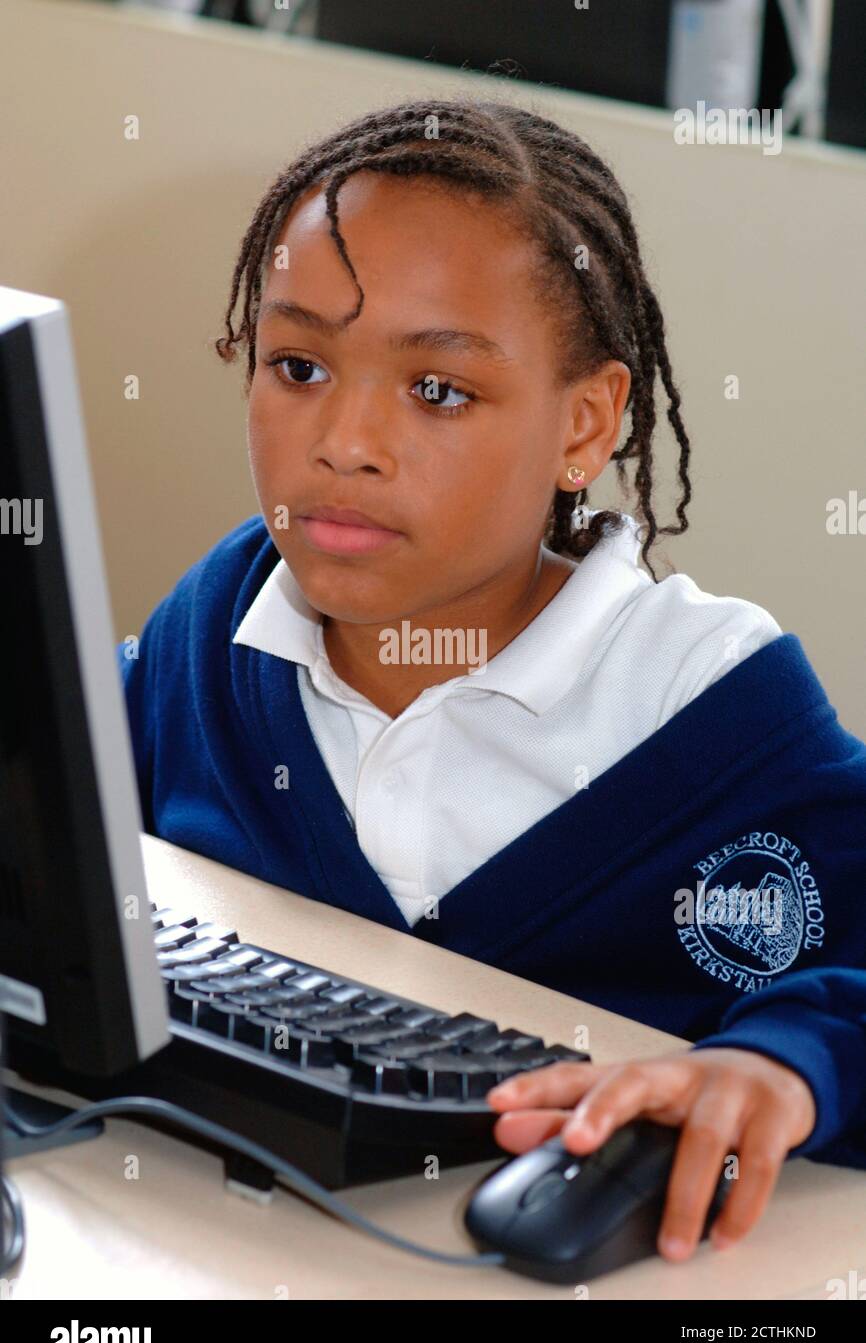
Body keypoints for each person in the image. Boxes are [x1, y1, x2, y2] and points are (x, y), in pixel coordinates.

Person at [119, 95, 866, 1266]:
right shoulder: (209, 639)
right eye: (298, 365)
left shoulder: (708, 707)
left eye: (437, 390)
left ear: (584, 427)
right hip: (200, 1249)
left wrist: (781, 1060)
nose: (343, 441)